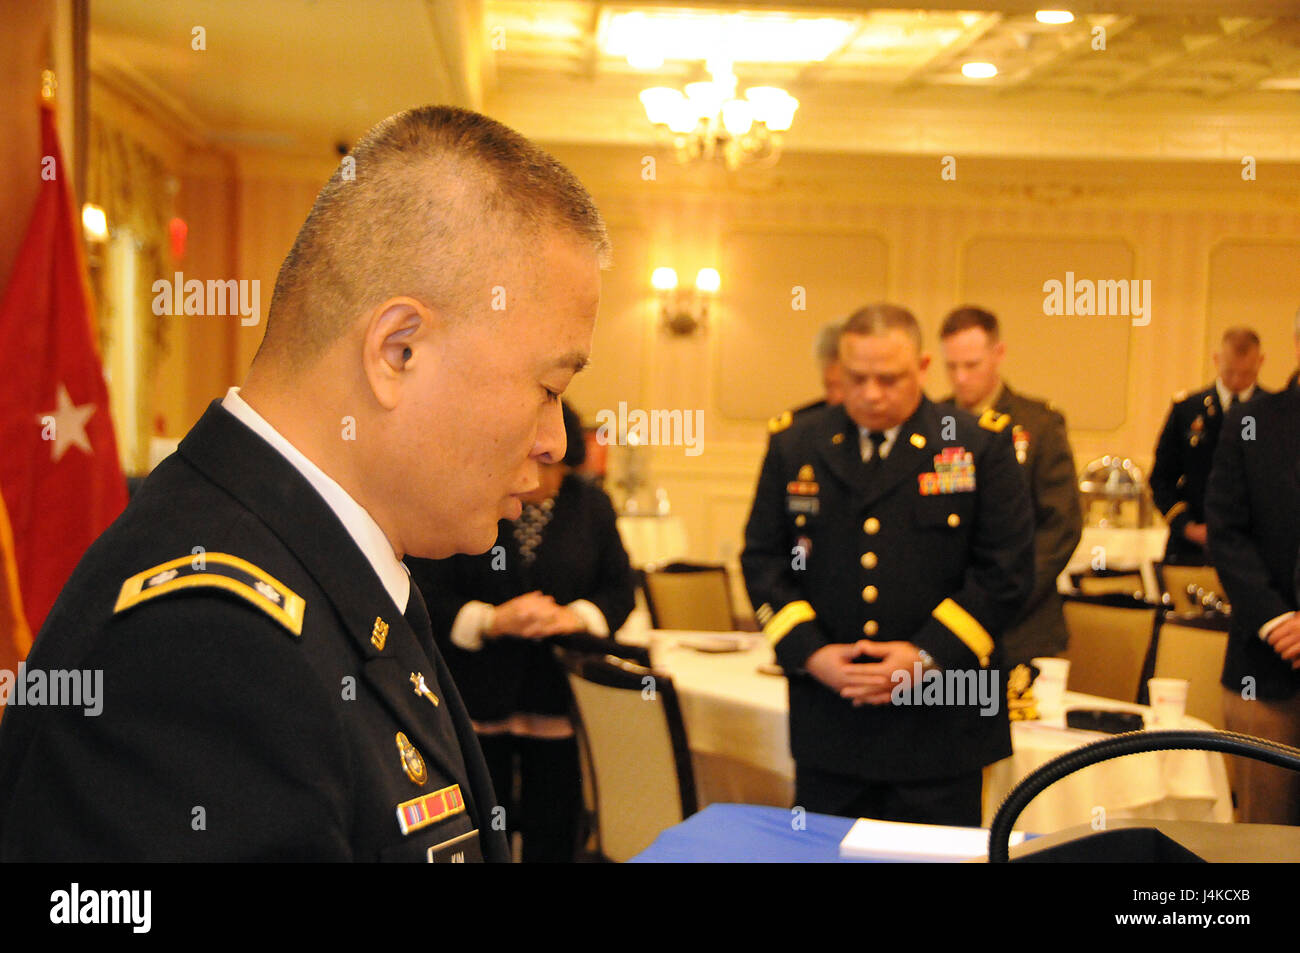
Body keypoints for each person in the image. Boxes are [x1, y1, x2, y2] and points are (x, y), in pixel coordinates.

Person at [0, 105, 610, 861]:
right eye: (549, 386)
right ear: (399, 351)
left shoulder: (321, 558)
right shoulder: (211, 642)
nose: (556, 440)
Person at [742, 303, 1034, 826]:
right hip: (832, 720)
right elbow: (763, 560)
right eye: (856, 378)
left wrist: (923, 656)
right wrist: (811, 654)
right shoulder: (796, 443)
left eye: (889, 378)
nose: (871, 393)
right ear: (838, 372)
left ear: (922, 368)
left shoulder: (978, 443)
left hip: (943, 723)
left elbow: (1005, 573)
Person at [406, 401, 635, 862]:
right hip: (479, 691)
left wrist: (577, 616)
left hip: (557, 693)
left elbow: (619, 589)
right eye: (532, 462)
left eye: (554, 467)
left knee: (554, 825)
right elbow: (423, 590)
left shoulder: (590, 505)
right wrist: (491, 620)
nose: (539, 480)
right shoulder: (468, 496)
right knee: (482, 825)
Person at [937, 306, 1082, 667]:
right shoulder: (933, 424)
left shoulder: (1039, 424)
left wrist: (1002, 594)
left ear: (998, 355)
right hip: (941, 622)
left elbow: (1060, 526)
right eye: (951, 367)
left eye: (971, 365)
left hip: (1021, 626)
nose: (961, 378)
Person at [1206, 317, 1300, 825]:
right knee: (1264, 838)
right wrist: (1280, 621)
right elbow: (1227, 532)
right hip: (1266, 669)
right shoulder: (1253, 421)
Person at [1151, 327, 1269, 566]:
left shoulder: (1271, 413)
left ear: (1261, 362)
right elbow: (1161, 478)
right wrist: (1187, 526)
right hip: (1191, 548)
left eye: (1245, 374)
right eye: (1229, 372)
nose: (1236, 381)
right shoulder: (1187, 410)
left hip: (1255, 553)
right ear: (1216, 360)